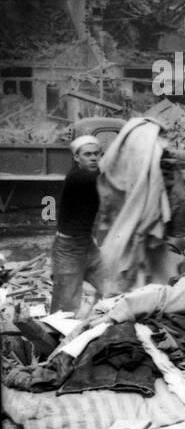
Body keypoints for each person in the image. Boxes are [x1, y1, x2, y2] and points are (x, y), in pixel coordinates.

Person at [50, 134, 105, 314]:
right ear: (76, 158)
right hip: (68, 250)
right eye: (88, 154)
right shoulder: (78, 177)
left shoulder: (94, 175)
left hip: (87, 246)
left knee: (114, 288)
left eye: (97, 154)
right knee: (64, 311)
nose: (94, 158)